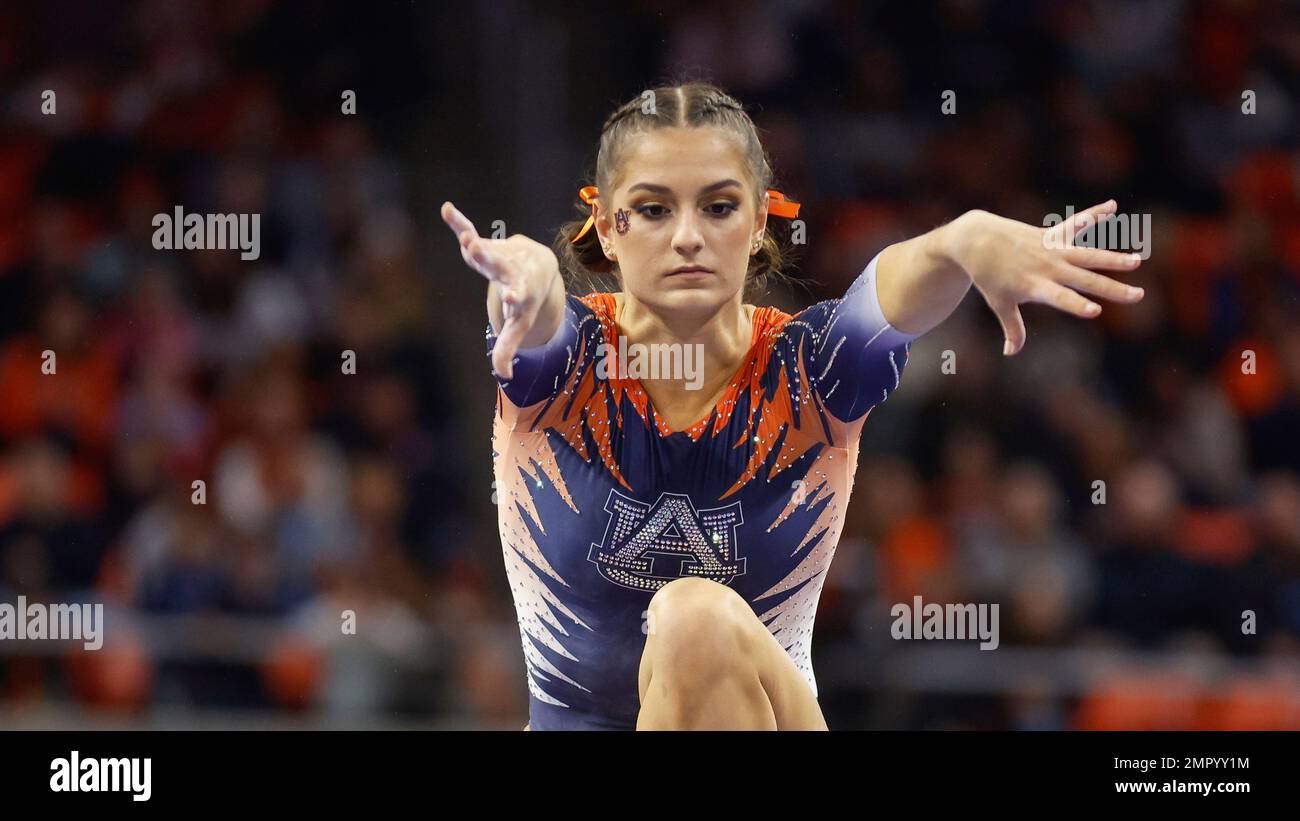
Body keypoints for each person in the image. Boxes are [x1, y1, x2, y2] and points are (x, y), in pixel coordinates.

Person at [440, 81, 1144, 730]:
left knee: (695, 618)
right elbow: (529, 310)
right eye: (653, 209)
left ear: (759, 223)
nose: (688, 235)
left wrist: (957, 244)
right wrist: (524, 279)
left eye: (719, 207)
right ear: (606, 223)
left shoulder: (808, 372)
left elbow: (892, 287)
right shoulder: (562, 367)